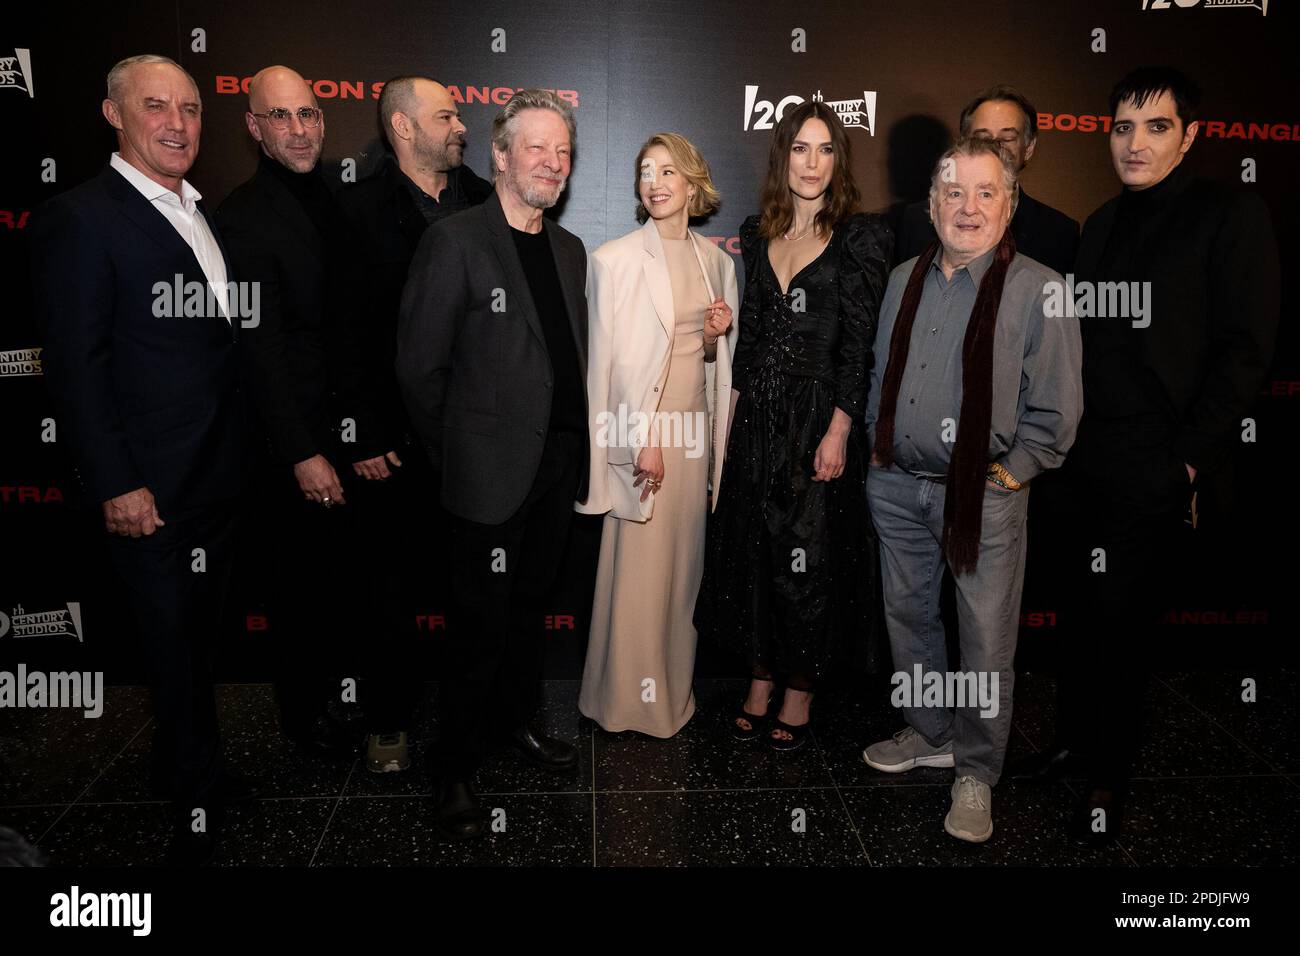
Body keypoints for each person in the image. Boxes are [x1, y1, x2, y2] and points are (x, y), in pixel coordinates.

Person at [1010, 67, 1279, 845]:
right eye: (1123, 127)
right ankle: (1072, 743)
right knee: (1074, 618)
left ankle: (1108, 777)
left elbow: (1246, 352)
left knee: (1123, 625)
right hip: (1076, 461)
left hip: (1152, 465)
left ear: (1189, 136)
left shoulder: (1230, 215)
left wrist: (1187, 464)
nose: (1135, 143)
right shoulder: (1098, 224)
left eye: (1155, 127)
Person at [28, 54, 253, 865]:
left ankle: (184, 765)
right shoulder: (82, 217)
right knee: (171, 640)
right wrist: (116, 479)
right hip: (150, 486)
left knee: (199, 637)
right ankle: (197, 798)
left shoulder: (198, 210)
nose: (179, 123)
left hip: (217, 476)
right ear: (112, 115)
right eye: (156, 106)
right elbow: (76, 364)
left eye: (192, 108)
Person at [861, 136, 1082, 843]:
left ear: (1009, 205)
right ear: (931, 204)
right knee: (910, 620)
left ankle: (977, 772)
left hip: (982, 494)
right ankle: (930, 731)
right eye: (953, 191)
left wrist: (1017, 469)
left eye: (987, 192)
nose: (968, 206)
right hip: (896, 484)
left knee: (986, 638)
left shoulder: (1040, 287)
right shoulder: (902, 277)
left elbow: (1057, 407)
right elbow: (879, 375)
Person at [396, 89, 589, 840]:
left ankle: (516, 726)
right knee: (476, 630)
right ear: (500, 156)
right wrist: (463, 457)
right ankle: (453, 768)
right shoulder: (457, 241)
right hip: (485, 479)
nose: (551, 162)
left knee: (528, 618)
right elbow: (418, 371)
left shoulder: (568, 250)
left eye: (562, 152)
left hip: (554, 471)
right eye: (535, 147)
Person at [695, 101, 891, 752]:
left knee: (807, 564)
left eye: (825, 149)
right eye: (800, 149)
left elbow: (857, 345)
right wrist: (732, 421)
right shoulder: (757, 231)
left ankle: (800, 690)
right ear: (784, 158)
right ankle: (758, 678)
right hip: (756, 418)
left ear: (839, 160)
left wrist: (839, 431)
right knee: (752, 554)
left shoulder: (860, 237)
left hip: (816, 420)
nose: (812, 163)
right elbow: (750, 342)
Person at [337, 76, 492, 774]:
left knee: (475, 592)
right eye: (446, 116)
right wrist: (362, 433)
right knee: (387, 592)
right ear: (402, 127)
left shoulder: (488, 202)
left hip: (477, 441)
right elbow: (335, 334)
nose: (461, 126)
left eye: (458, 115)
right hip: (391, 446)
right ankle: (389, 720)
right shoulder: (353, 213)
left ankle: (474, 725)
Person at [216, 65, 365, 762]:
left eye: (308, 114)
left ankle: (340, 699)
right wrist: (302, 453)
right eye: (281, 117)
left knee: (341, 586)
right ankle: (305, 720)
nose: (299, 130)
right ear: (254, 126)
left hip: (348, 431)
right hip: (295, 443)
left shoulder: (337, 196)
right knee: (299, 591)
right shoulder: (242, 217)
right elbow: (259, 350)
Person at [577, 133, 739, 737]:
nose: (656, 181)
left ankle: (669, 694)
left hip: (695, 439)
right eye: (646, 171)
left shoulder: (716, 261)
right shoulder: (614, 259)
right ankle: (622, 702)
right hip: (646, 436)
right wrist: (639, 441)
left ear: (693, 184)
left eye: (669, 171)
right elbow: (608, 365)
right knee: (637, 575)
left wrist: (717, 334)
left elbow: (704, 358)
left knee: (681, 575)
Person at [894, 85, 1078, 277]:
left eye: (1007, 138)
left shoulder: (1059, 232)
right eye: (982, 139)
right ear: (963, 144)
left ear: (1029, 148)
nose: (994, 148)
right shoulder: (916, 222)